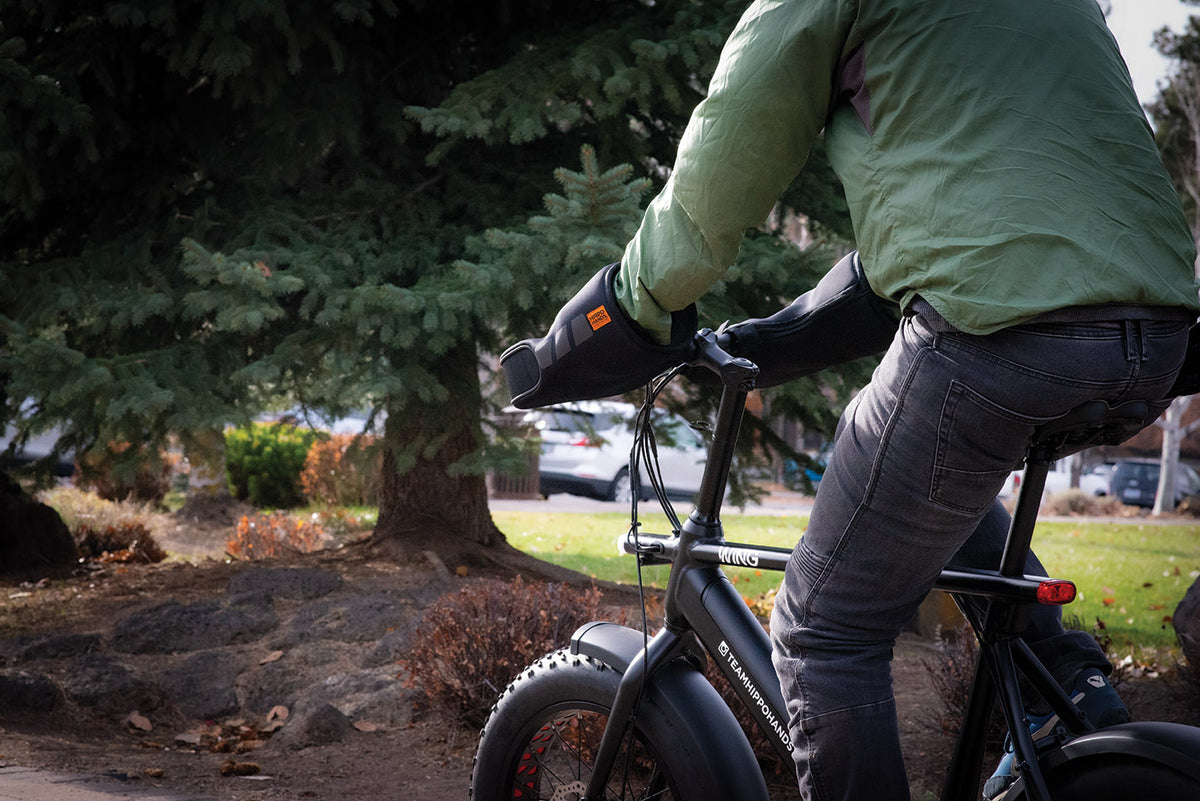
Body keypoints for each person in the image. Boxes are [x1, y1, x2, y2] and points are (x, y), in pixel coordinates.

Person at [503, 1, 1200, 799]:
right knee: (900, 449)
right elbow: (978, 211)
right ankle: (1064, 690)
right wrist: (767, 339)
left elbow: (719, 166)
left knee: (822, 631)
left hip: (998, 331)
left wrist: (623, 312)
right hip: (1155, 328)